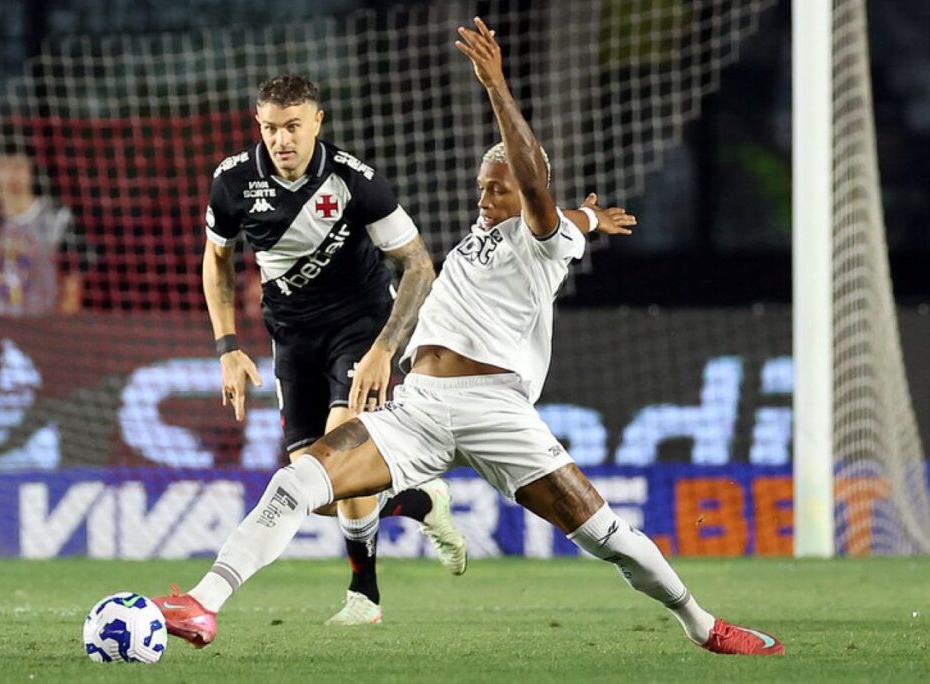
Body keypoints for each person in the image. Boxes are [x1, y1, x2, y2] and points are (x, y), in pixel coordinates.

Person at [154, 19, 783, 656]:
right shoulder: (493, 235)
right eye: (482, 187)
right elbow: (562, 210)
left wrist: (496, 86)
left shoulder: (542, 240)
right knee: (297, 482)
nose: (484, 198)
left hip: (495, 410)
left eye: (497, 188)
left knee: (605, 535)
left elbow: (537, 188)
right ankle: (203, 605)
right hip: (419, 407)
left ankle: (703, 624)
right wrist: (592, 217)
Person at [197, 74, 467, 625]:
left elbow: (419, 266)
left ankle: (364, 596)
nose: (281, 139)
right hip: (292, 339)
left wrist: (385, 348)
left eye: (293, 126)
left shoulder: (353, 180)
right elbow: (217, 258)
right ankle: (422, 501)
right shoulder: (233, 182)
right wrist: (227, 346)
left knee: (338, 462)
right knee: (314, 491)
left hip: (359, 330)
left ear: (317, 122)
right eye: (271, 128)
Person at [0, 144, 88, 318]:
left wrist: (58, 328)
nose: (13, 174)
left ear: (32, 170)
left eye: (19, 166)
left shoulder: (58, 219)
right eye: (5, 166)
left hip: (42, 325)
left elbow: (72, 283)